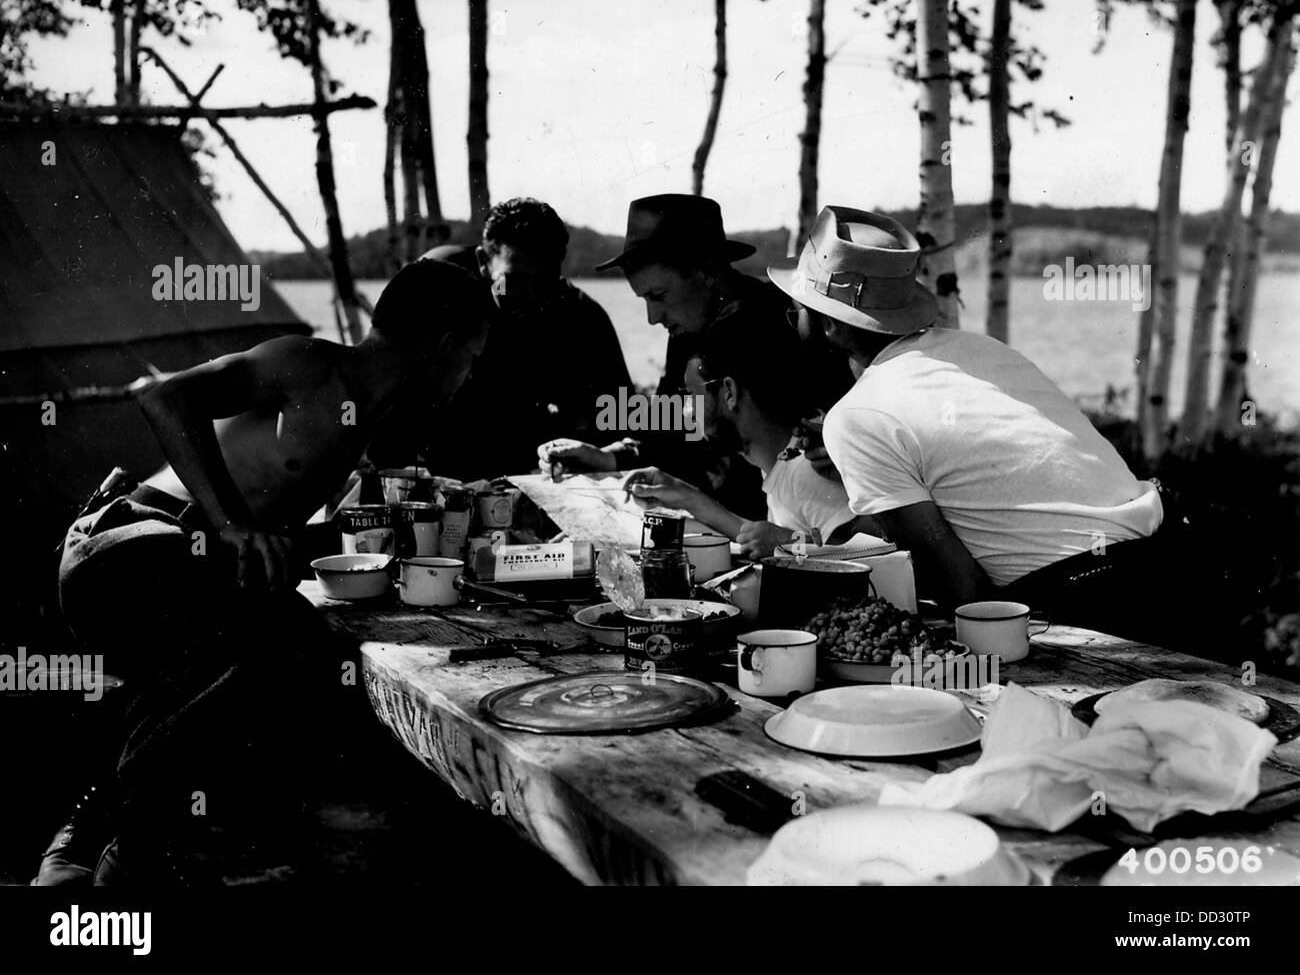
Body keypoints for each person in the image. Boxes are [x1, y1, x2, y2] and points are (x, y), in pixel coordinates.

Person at [44, 259, 492, 886]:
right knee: (290, 642)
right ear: (444, 344)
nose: (469, 375)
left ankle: (92, 848)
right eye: (471, 356)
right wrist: (230, 525)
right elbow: (162, 395)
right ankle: (126, 854)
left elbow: (279, 536)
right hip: (122, 550)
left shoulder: (370, 417)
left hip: (183, 578)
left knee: (257, 658)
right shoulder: (311, 364)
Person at [770, 205, 1183, 639]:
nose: (790, 322)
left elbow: (967, 596)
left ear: (831, 327)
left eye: (795, 311)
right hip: (1168, 555)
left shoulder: (856, 418)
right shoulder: (981, 349)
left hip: (1088, 607)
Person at [539, 194, 855, 519]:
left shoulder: (792, 321)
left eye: (658, 295)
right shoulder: (685, 330)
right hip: (724, 527)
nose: (652, 317)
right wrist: (611, 457)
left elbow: (854, 420)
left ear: (705, 271)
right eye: (644, 299)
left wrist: (837, 440)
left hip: (802, 527)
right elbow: (671, 424)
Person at [620, 301, 879, 559]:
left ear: (730, 392)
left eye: (692, 395)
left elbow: (870, 554)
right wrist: (686, 496)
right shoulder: (782, 463)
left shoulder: (805, 471)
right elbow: (759, 537)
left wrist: (788, 545)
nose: (688, 412)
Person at [409, 198, 634, 480]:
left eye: (544, 283)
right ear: (482, 262)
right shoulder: (439, 287)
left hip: (539, 473)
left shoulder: (583, 318)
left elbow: (627, 423)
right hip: (442, 467)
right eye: (511, 282)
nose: (528, 298)